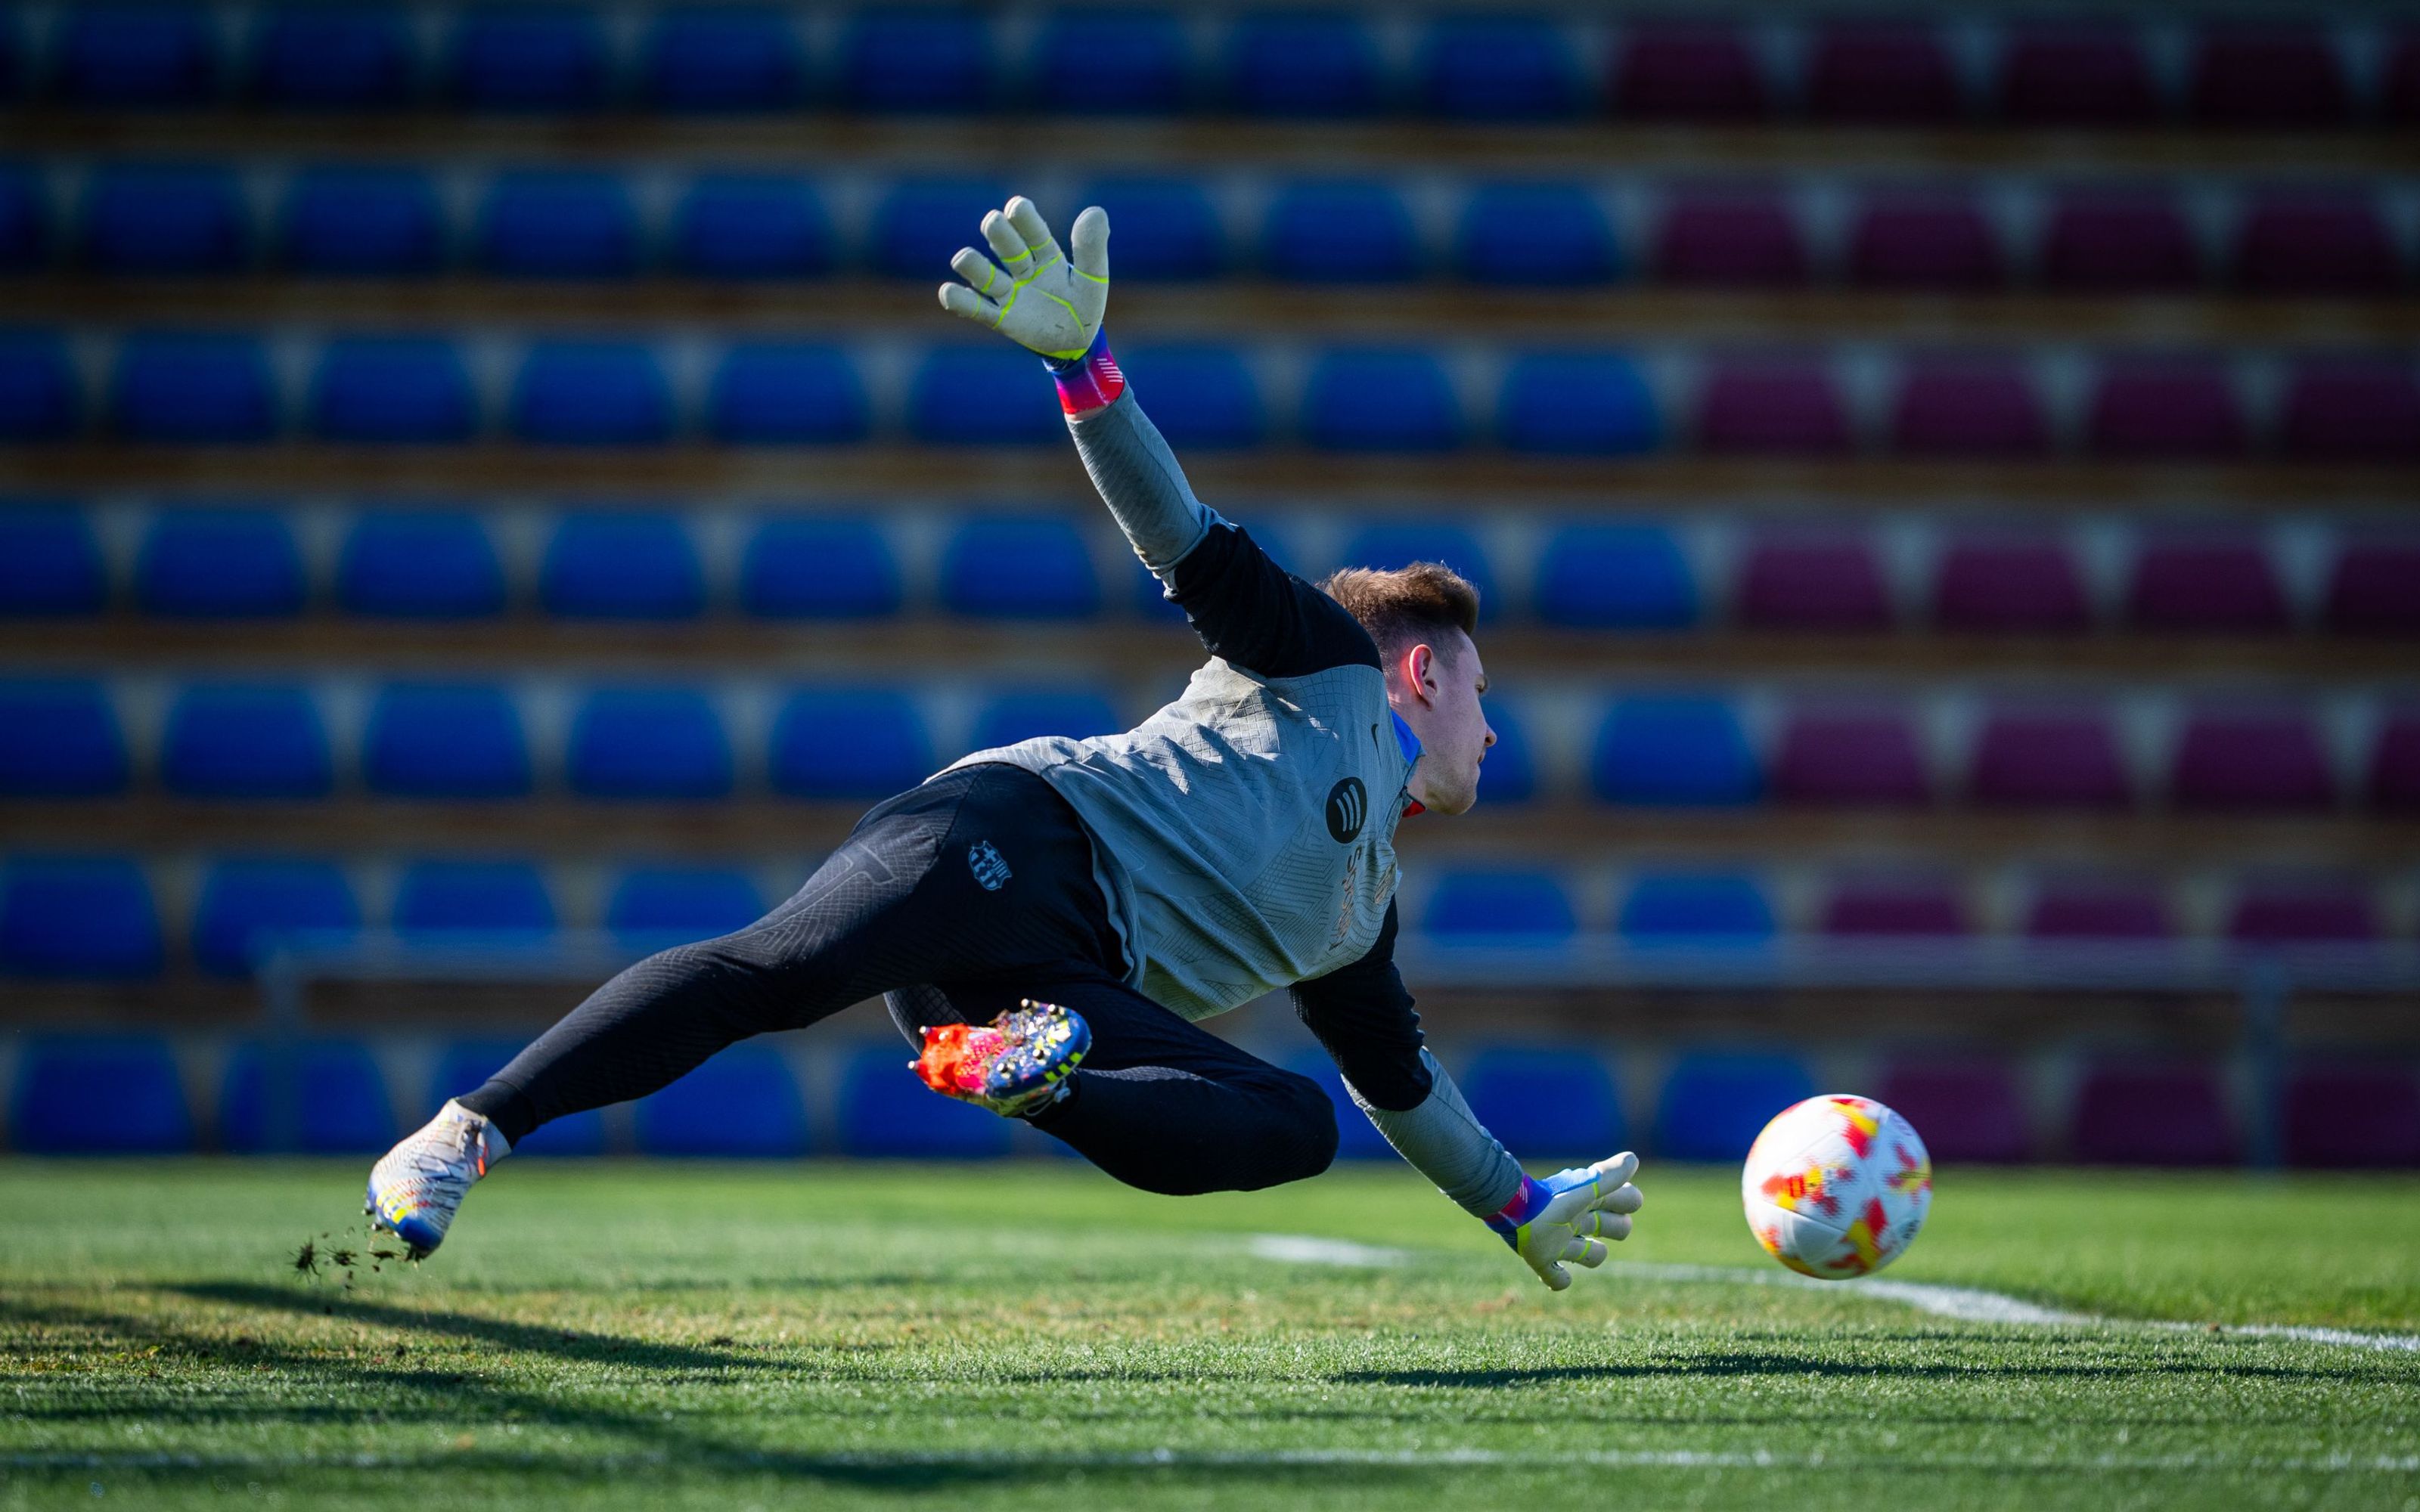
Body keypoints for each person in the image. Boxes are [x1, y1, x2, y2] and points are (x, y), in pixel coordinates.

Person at [366, 197, 1642, 1290]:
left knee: (1297, 1122)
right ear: (1421, 671)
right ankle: (463, 1134)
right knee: (769, 978)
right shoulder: (1329, 668)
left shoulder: (1361, 914)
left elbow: (1402, 1089)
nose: (1496, 727)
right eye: (1482, 689)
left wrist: (1515, 1209)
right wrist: (1085, 369)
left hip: (1059, 996)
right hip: (1007, 839)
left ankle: (1024, 1076)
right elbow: (1181, 540)